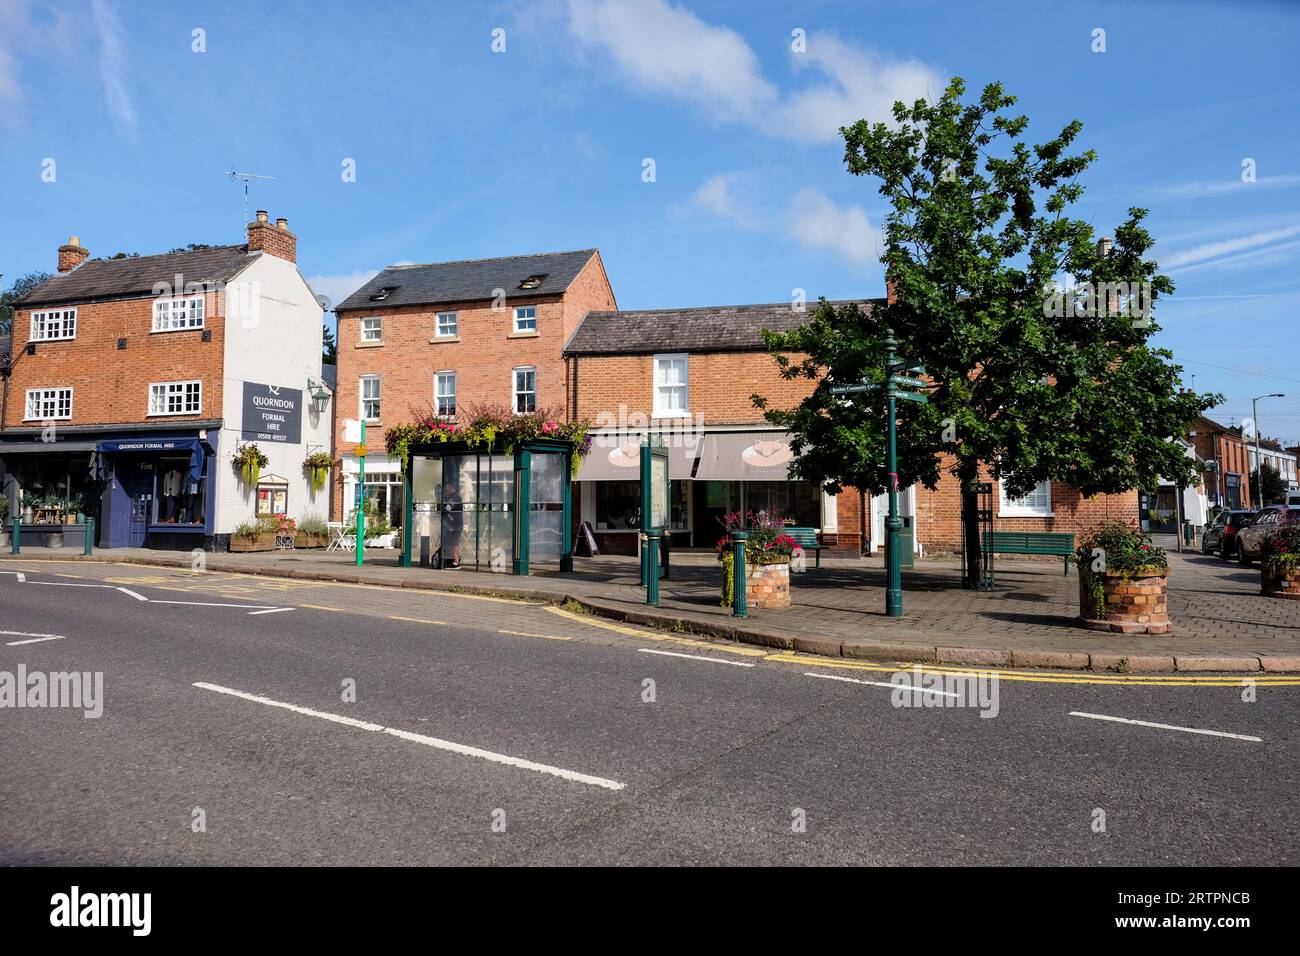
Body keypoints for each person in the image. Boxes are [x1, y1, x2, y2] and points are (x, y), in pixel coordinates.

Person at [442, 481, 463, 568]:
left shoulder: (454, 498)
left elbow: (449, 507)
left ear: (451, 488)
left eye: (447, 490)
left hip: (455, 525)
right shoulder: (455, 497)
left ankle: (455, 561)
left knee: (453, 544)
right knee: (453, 543)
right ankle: (456, 559)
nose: (445, 492)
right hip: (454, 525)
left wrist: (444, 509)